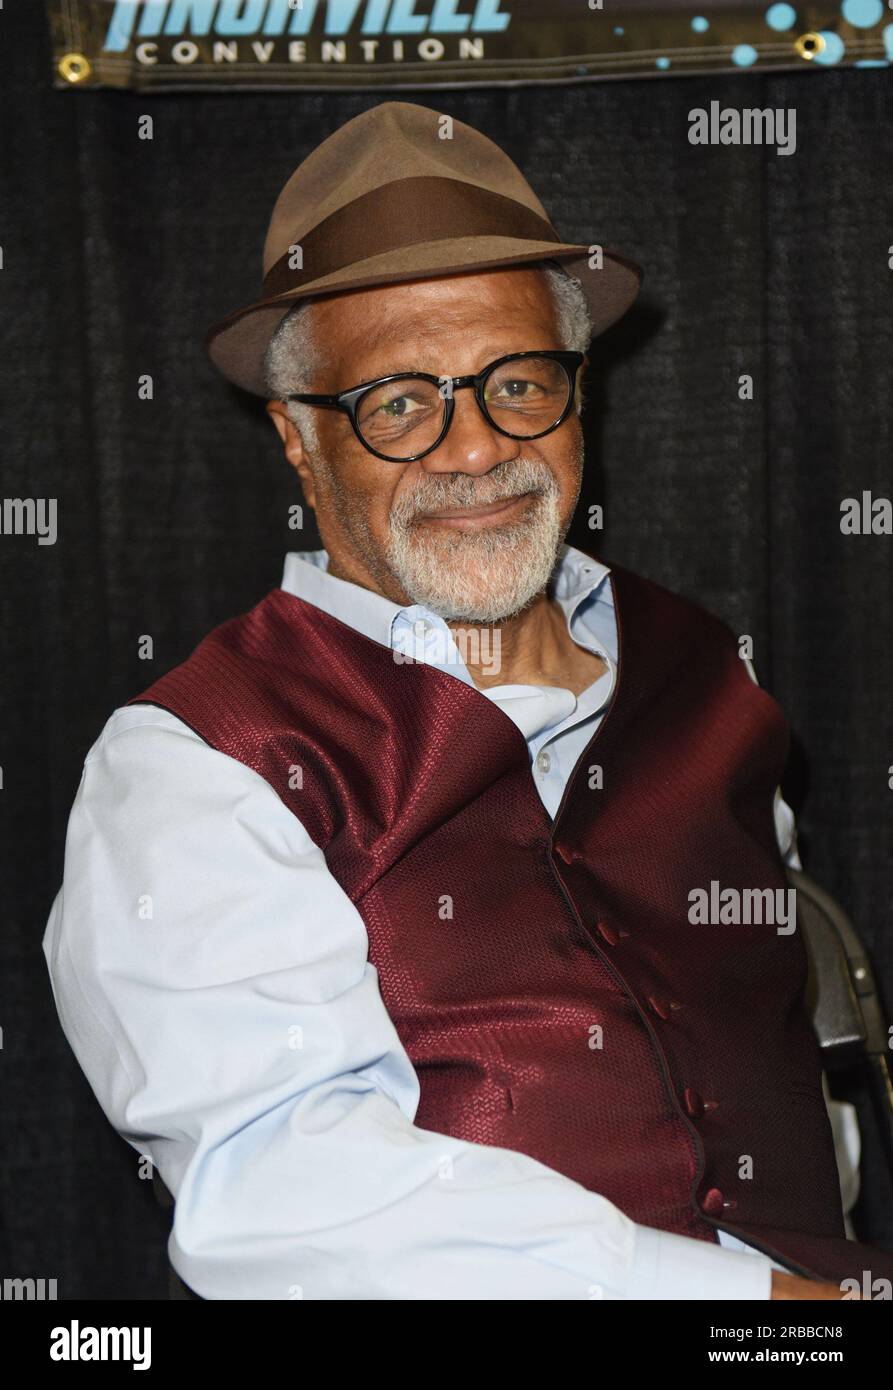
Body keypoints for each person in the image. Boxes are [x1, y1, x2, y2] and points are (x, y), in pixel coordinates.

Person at [44, 102, 886, 1300]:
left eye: (516, 384)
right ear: (296, 438)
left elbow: (773, 1054)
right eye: (397, 402)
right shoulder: (195, 764)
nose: (473, 449)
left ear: (576, 392)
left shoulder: (708, 672)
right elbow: (279, 1191)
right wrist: (748, 1307)